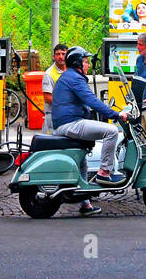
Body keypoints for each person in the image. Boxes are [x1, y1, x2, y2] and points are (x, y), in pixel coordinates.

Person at [51, 46, 129, 210]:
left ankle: (85, 203)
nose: (88, 65)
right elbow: (92, 101)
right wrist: (116, 115)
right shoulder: (74, 78)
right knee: (111, 131)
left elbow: (86, 104)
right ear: (78, 63)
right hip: (70, 124)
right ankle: (104, 173)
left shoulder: (70, 77)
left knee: (82, 161)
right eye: (85, 62)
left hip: (65, 123)